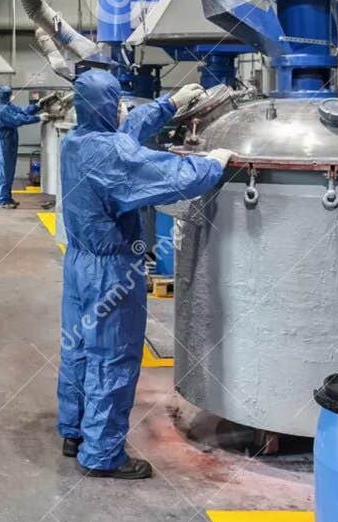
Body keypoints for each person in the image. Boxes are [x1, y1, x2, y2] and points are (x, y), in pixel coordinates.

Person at [57, 72, 233, 479]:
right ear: (107, 106)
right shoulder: (113, 154)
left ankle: (75, 430)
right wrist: (210, 165)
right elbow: (166, 174)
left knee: (79, 350)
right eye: (118, 101)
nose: (123, 109)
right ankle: (102, 454)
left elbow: (123, 133)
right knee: (112, 356)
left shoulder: (76, 141)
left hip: (80, 264)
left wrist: (171, 105)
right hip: (112, 272)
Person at [0, 84, 41, 208]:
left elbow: (23, 111)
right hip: (4, 144)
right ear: (8, 96)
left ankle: (8, 198)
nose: (12, 96)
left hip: (10, 143)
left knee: (9, 172)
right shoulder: (2, 110)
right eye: (11, 94)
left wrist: (38, 106)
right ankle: (3, 201)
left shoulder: (9, 106)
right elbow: (17, 119)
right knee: (4, 173)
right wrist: (38, 118)